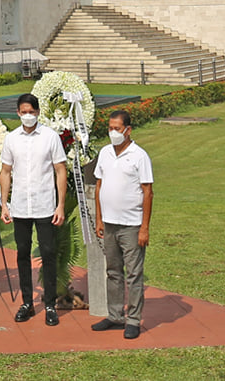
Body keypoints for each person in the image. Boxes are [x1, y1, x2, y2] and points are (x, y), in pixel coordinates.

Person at [0, 92, 65, 326]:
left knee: (48, 253)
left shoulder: (50, 137)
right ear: (18, 113)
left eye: (31, 112)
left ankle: (50, 304)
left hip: (45, 205)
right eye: (23, 112)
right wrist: (4, 204)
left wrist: (61, 205)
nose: (27, 116)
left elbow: (60, 170)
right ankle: (27, 301)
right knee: (22, 253)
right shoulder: (11, 139)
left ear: (38, 112)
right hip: (20, 207)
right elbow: (6, 171)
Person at [89, 109, 155, 340]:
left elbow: (148, 192)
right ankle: (115, 315)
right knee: (113, 271)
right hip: (109, 223)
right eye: (110, 128)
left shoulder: (139, 156)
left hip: (131, 224)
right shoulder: (105, 153)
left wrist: (144, 227)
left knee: (134, 274)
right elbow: (99, 186)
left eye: (117, 128)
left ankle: (134, 319)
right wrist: (99, 218)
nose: (113, 132)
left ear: (128, 130)